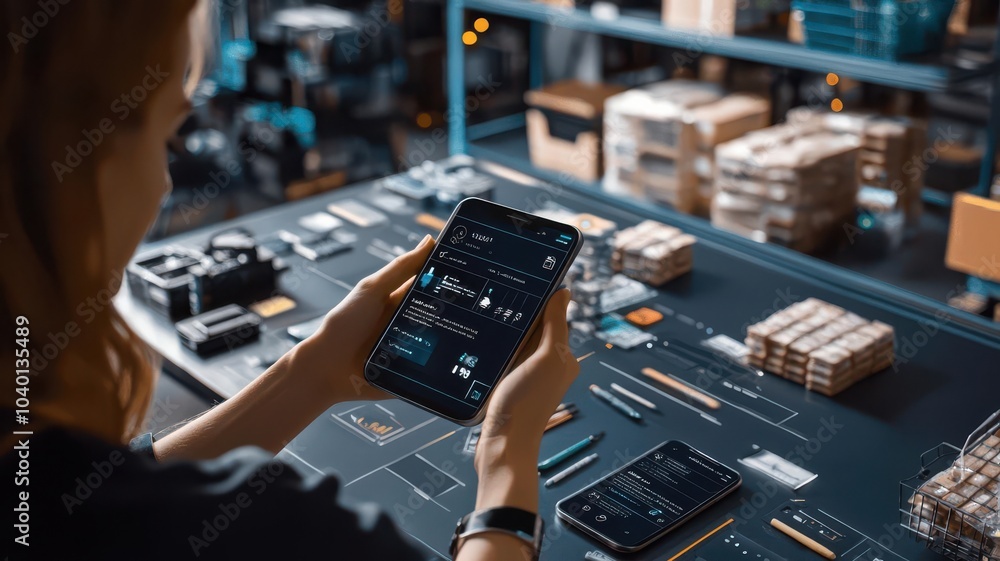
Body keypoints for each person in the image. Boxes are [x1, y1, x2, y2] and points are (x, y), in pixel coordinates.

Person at [0, 2, 580, 559]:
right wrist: (506, 450)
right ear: (70, 162)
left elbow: (96, 504)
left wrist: (314, 372)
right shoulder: (281, 531)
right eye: (168, 136)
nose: (164, 187)